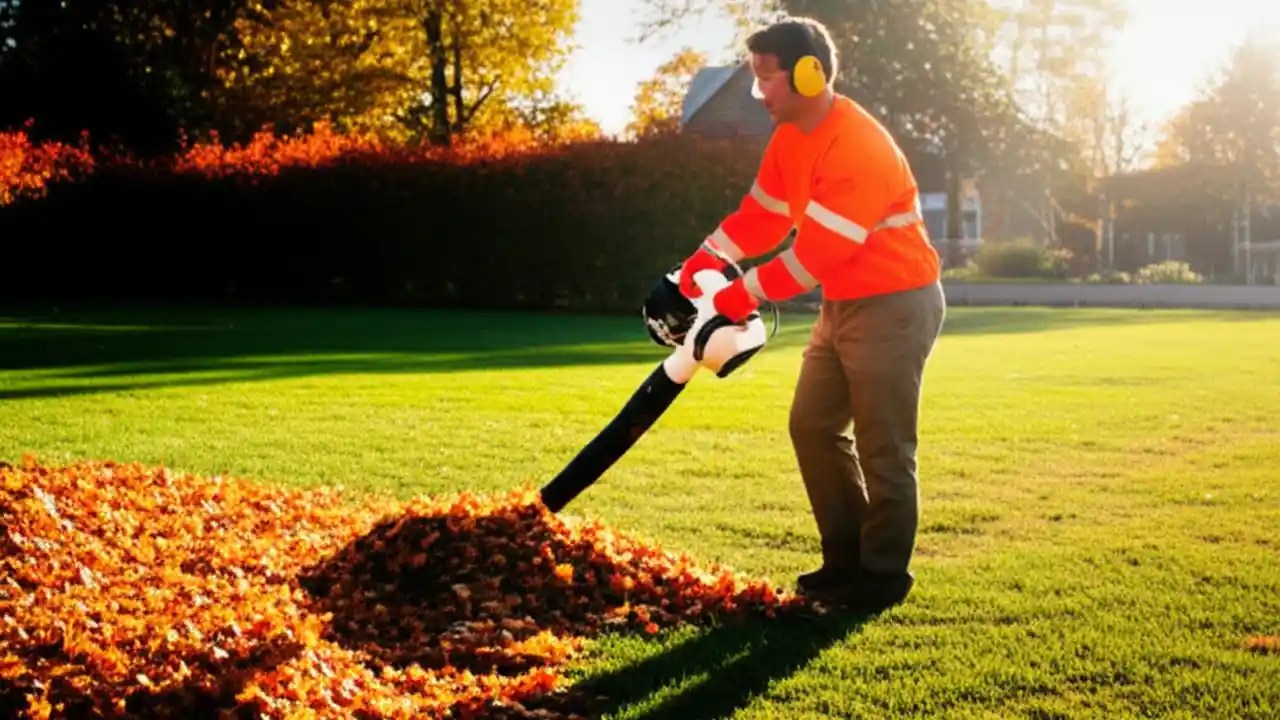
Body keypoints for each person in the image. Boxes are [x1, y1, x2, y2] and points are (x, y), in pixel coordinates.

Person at [677, 16, 946, 613]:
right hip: (844, 304)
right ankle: (845, 559)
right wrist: (708, 254)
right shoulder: (791, 137)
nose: (758, 94)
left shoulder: (857, 144)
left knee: (885, 447)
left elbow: (817, 254)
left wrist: (741, 292)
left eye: (764, 81)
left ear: (808, 73)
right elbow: (764, 216)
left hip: (895, 304)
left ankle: (881, 578)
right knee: (812, 425)